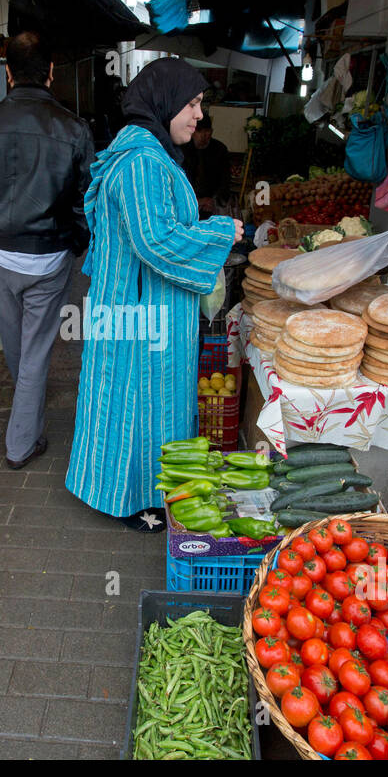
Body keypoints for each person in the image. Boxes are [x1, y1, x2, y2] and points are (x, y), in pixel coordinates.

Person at [66, 58, 242, 532]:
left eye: (199, 104)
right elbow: (155, 241)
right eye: (192, 103)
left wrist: (206, 231)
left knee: (134, 400)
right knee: (143, 403)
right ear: (163, 104)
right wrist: (221, 232)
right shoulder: (142, 163)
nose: (198, 116)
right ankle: (143, 500)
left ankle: (141, 490)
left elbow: (155, 229)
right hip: (142, 314)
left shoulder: (147, 154)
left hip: (139, 305)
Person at [0, 32, 93, 469]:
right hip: (49, 257)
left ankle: (25, 417)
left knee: (17, 343)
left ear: (7, 73)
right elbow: (85, 202)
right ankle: (20, 445)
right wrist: (76, 242)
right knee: (33, 351)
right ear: (51, 73)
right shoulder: (74, 128)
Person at [180, 113, 232, 216]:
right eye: (199, 131)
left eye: (207, 131)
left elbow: (225, 181)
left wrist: (213, 201)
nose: (204, 135)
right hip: (188, 203)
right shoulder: (182, 150)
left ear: (211, 132)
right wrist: (197, 201)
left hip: (213, 204)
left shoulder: (219, 149)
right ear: (192, 131)